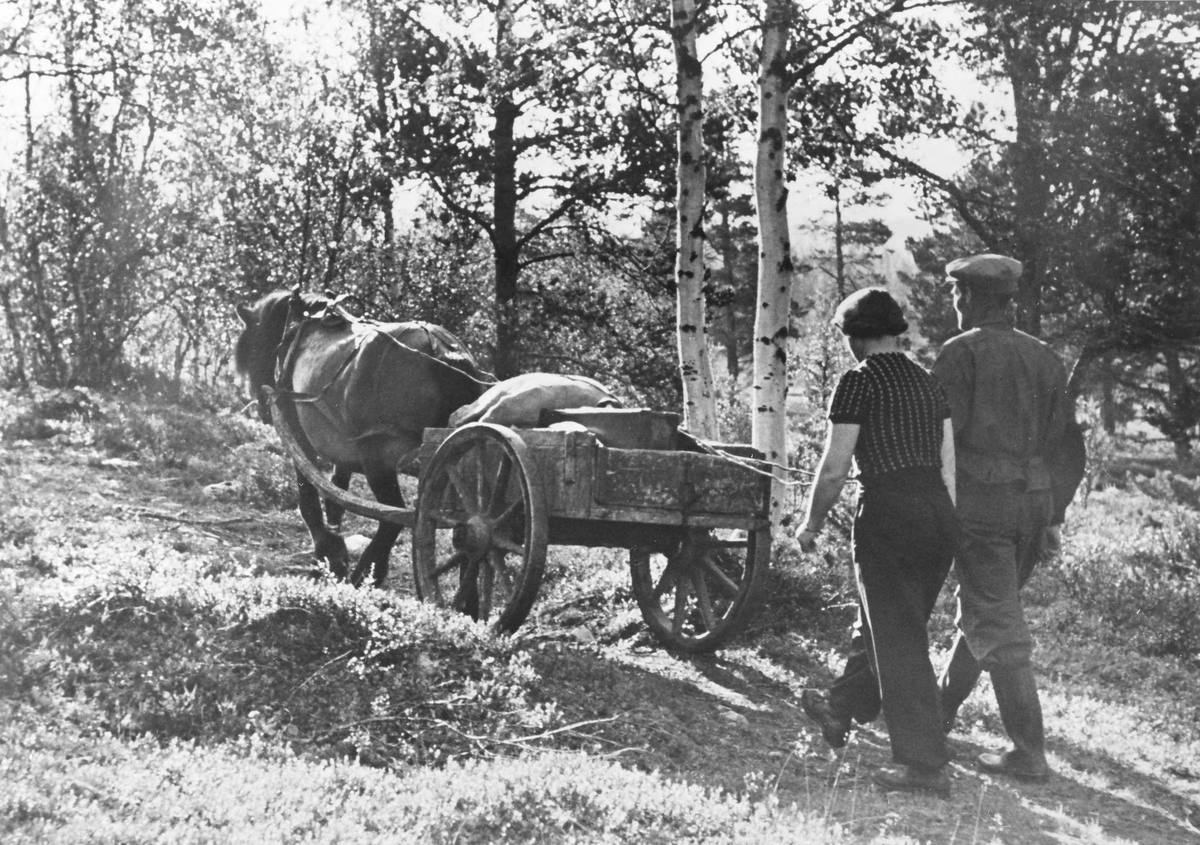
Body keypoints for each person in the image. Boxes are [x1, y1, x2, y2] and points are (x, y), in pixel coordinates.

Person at [796, 287, 959, 798]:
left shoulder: (857, 381)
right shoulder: (929, 382)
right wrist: (946, 523)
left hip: (889, 515)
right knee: (884, 624)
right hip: (937, 514)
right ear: (895, 332)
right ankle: (841, 707)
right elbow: (949, 466)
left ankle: (924, 765)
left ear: (856, 338)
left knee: (899, 639)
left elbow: (835, 469)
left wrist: (810, 523)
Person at [932, 253, 1085, 783]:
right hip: (1034, 502)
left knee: (997, 621)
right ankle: (937, 712)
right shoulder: (1045, 357)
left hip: (982, 503)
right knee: (988, 608)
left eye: (957, 295)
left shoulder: (960, 352)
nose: (955, 303)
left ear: (972, 299)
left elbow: (942, 439)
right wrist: (1054, 515)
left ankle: (1028, 751)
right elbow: (1068, 444)